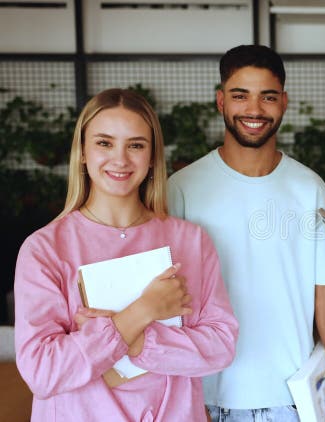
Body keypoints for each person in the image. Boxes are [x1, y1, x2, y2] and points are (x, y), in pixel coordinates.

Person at [13, 88, 239, 421]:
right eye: (104, 143)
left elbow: (220, 347)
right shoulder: (45, 249)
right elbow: (43, 373)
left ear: (151, 157)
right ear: (83, 153)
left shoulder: (190, 240)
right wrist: (141, 313)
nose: (120, 159)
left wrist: (137, 341)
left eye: (135, 145)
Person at [168, 44, 325, 422]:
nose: (254, 110)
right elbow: (167, 300)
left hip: (291, 397)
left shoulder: (310, 189)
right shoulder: (181, 189)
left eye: (267, 97)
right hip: (205, 395)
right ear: (220, 101)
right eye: (240, 96)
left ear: (283, 102)